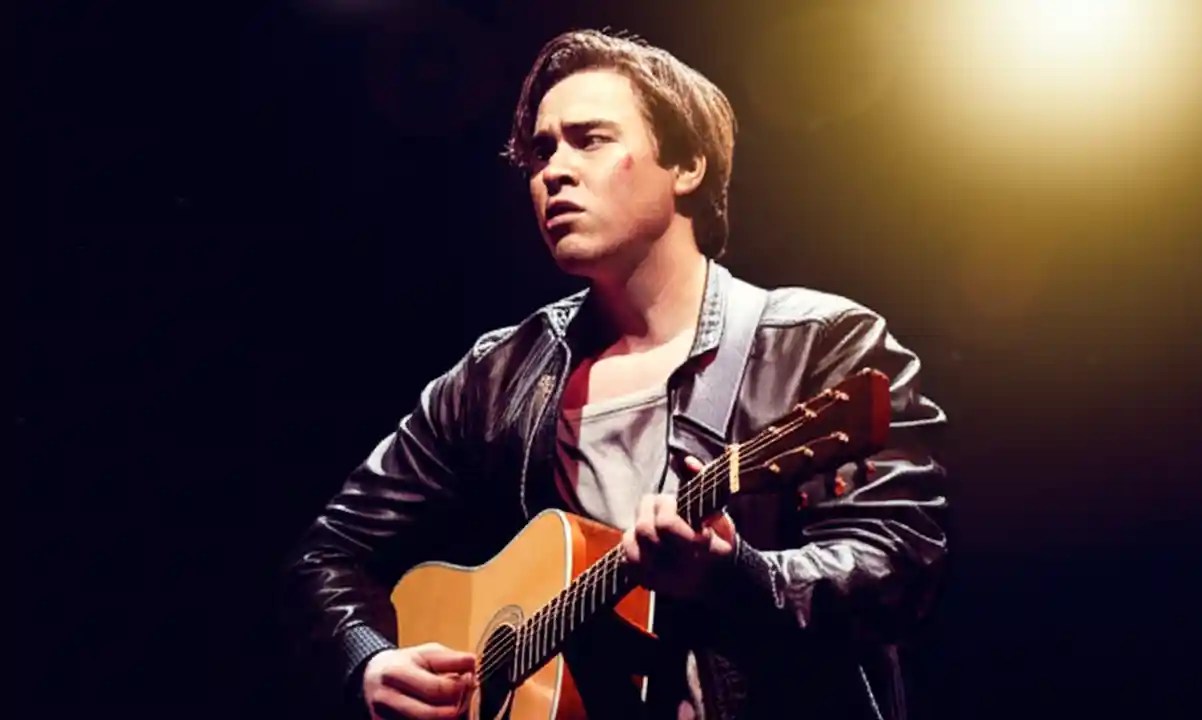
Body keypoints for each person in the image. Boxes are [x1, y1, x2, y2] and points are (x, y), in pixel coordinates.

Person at [283, 28, 948, 720]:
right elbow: (325, 557)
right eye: (542, 152)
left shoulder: (819, 343)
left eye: (590, 140)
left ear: (686, 163)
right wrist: (367, 658)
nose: (554, 172)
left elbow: (898, 565)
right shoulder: (496, 377)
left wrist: (736, 575)